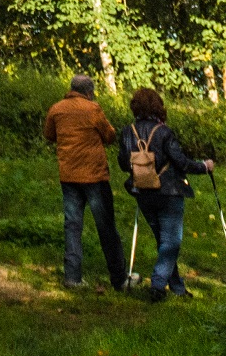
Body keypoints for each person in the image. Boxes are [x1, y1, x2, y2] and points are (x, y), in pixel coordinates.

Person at [116, 87, 215, 299]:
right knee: (171, 242)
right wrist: (204, 167)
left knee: (164, 243)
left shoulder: (127, 132)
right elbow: (180, 162)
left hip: (142, 191)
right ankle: (158, 285)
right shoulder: (164, 132)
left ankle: (178, 289)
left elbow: (124, 164)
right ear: (158, 107)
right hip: (168, 192)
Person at [41, 74, 128, 292]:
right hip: (94, 176)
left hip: (69, 176)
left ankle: (72, 277)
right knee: (106, 227)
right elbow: (109, 136)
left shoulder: (57, 109)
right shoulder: (93, 109)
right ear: (89, 92)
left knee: (72, 226)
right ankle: (119, 279)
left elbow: (49, 134)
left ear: (71, 89)